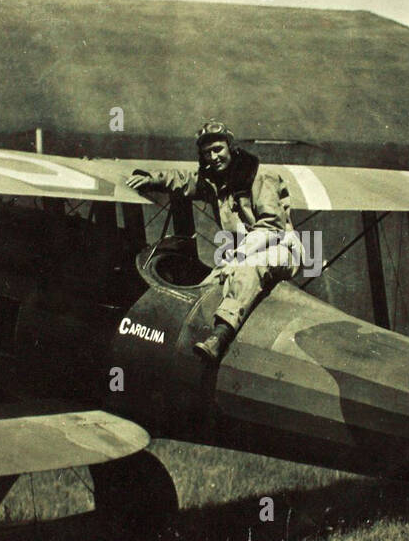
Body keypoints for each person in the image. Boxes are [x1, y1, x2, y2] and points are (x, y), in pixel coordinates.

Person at [125, 120, 304, 361]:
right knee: (205, 290)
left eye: (218, 149)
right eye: (207, 152)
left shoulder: (261, 176)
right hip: (244, 252)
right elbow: (185, 181)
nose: (213, 156)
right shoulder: (215, 180)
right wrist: (152, 179)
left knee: (247, 270)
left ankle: (220, 337)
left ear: (230, 147)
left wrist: (239, 256)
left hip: (280, 249)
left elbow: (271, 227)